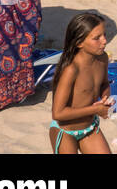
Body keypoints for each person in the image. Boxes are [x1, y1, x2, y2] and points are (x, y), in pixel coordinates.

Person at [48, 12, 113, 154]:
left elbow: (104, 84)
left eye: (104, 35)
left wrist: (105, 98)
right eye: (97, 38)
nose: (104, 41)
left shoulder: (102, 59)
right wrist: (96, 110)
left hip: (90, 127)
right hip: (65, 132)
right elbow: (58, 113)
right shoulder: (71, 70)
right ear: (79, 43)